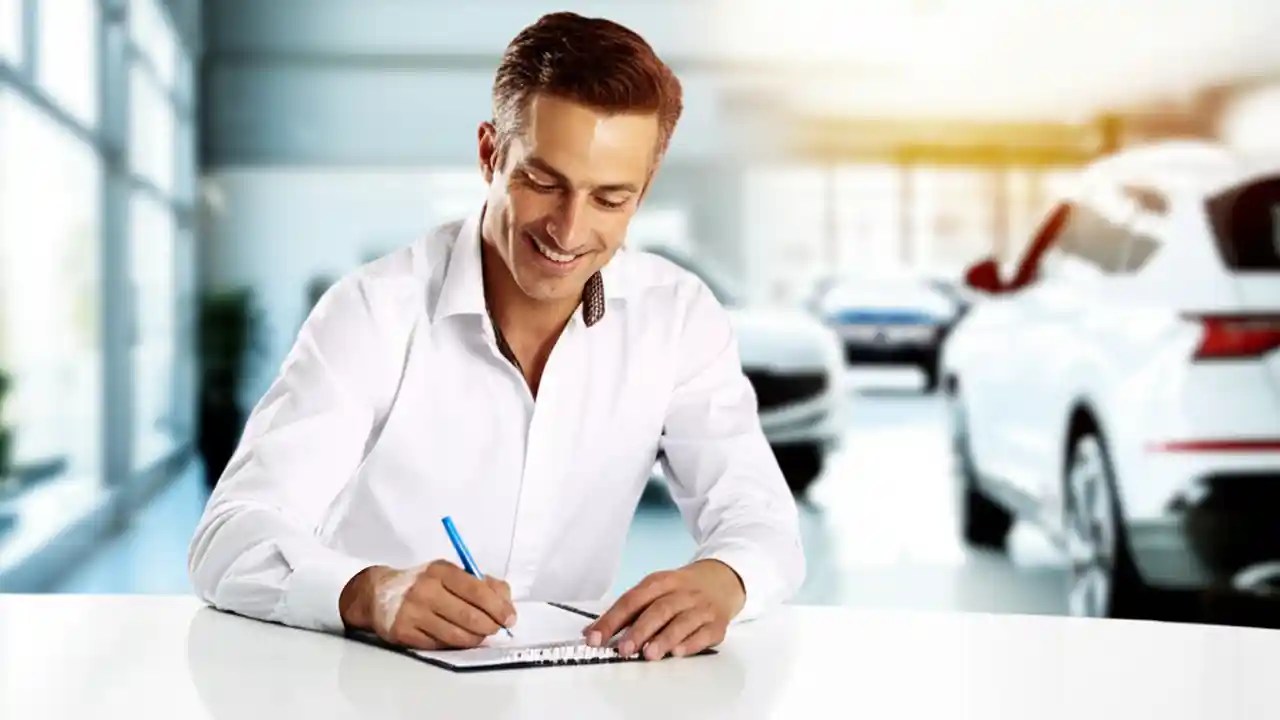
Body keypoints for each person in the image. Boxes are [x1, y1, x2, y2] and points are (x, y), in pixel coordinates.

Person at [189, 11, 803, 662]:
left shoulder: (677, 319)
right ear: (489, 154)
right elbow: (229, 537)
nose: (568, 230)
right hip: (373, 691)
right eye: (543, 182)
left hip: (571, 692)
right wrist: (367, 592)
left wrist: (724, 580)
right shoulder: (374, 312)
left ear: (643, 192)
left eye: (610, 199)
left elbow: (760, 519)